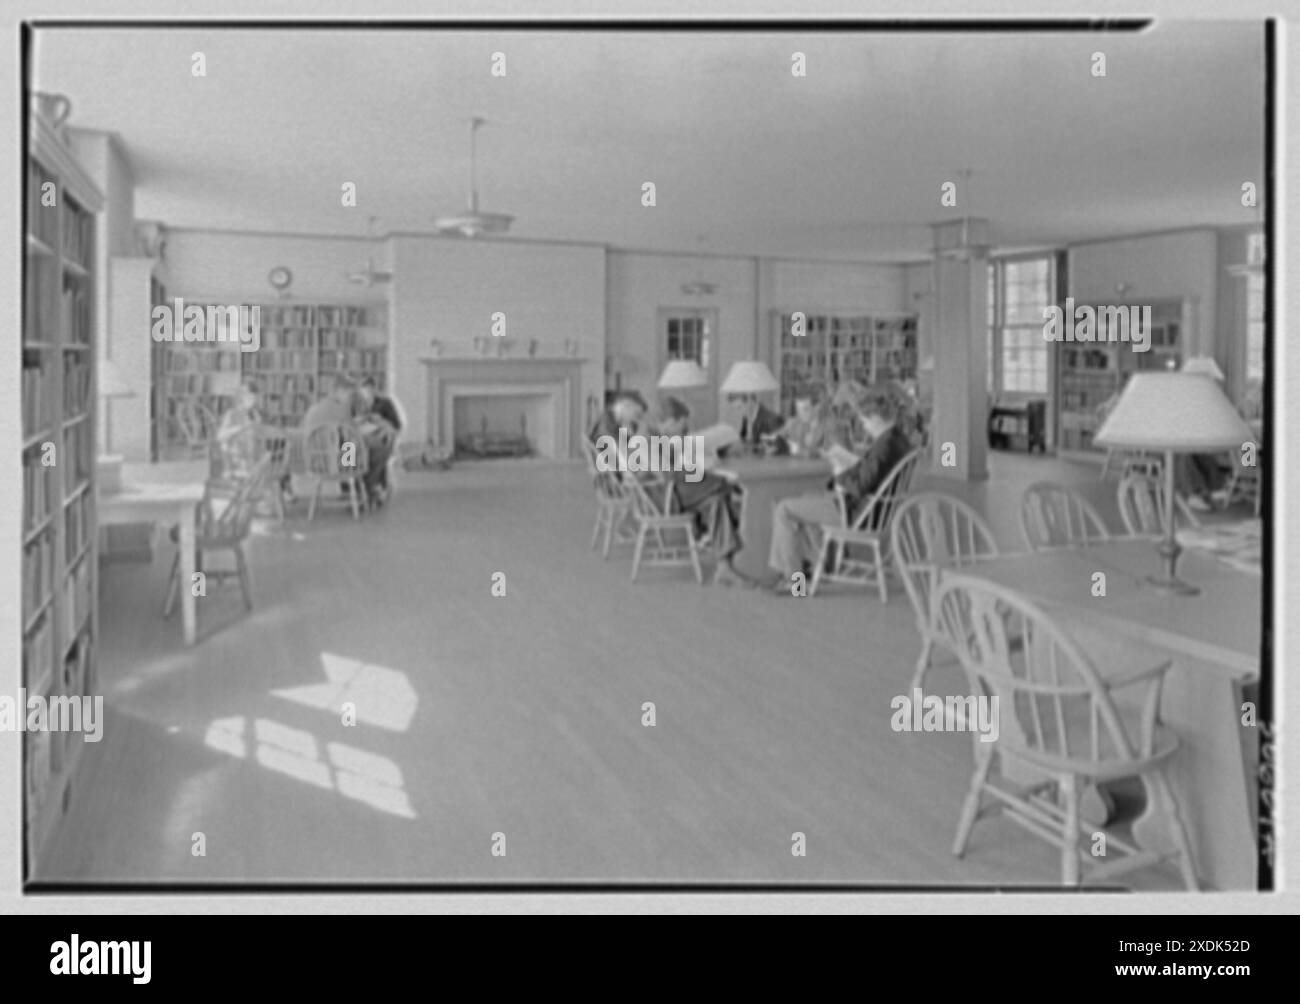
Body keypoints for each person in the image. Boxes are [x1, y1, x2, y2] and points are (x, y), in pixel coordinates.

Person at [765, 386, 915, 593]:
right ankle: (818, 565)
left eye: (864, 421)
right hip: (875, 511)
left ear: (875, 418)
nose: (863, 426)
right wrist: (856, 466)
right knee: (807, 498)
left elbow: (860, 486)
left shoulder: (883, 446)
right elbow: (872, 474)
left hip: (855, 512)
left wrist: (840, 473)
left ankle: (795, 582)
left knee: (784, 509)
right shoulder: (899, 439)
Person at [651, 396, 748, 583]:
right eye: (682, 424)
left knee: (716, 501)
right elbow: (668, 475)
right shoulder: (654, 441)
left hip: (673, 491)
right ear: (672, 422)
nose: (684, 429)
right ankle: (732, 506)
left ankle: (724, 566)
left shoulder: (662, 439)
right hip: (668, 497)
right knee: (719, 483)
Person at [357, 376, 402, 502]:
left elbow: (397, 425)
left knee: (378, 453)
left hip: (379, 438)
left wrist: (382, 421)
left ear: (375, 389)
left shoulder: (385, 403)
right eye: (364, 390)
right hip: (359, 439)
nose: (368, 393)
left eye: (370, 390)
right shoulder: (356, 404)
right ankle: (355, 489)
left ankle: (370, 487)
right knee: (349, 452)